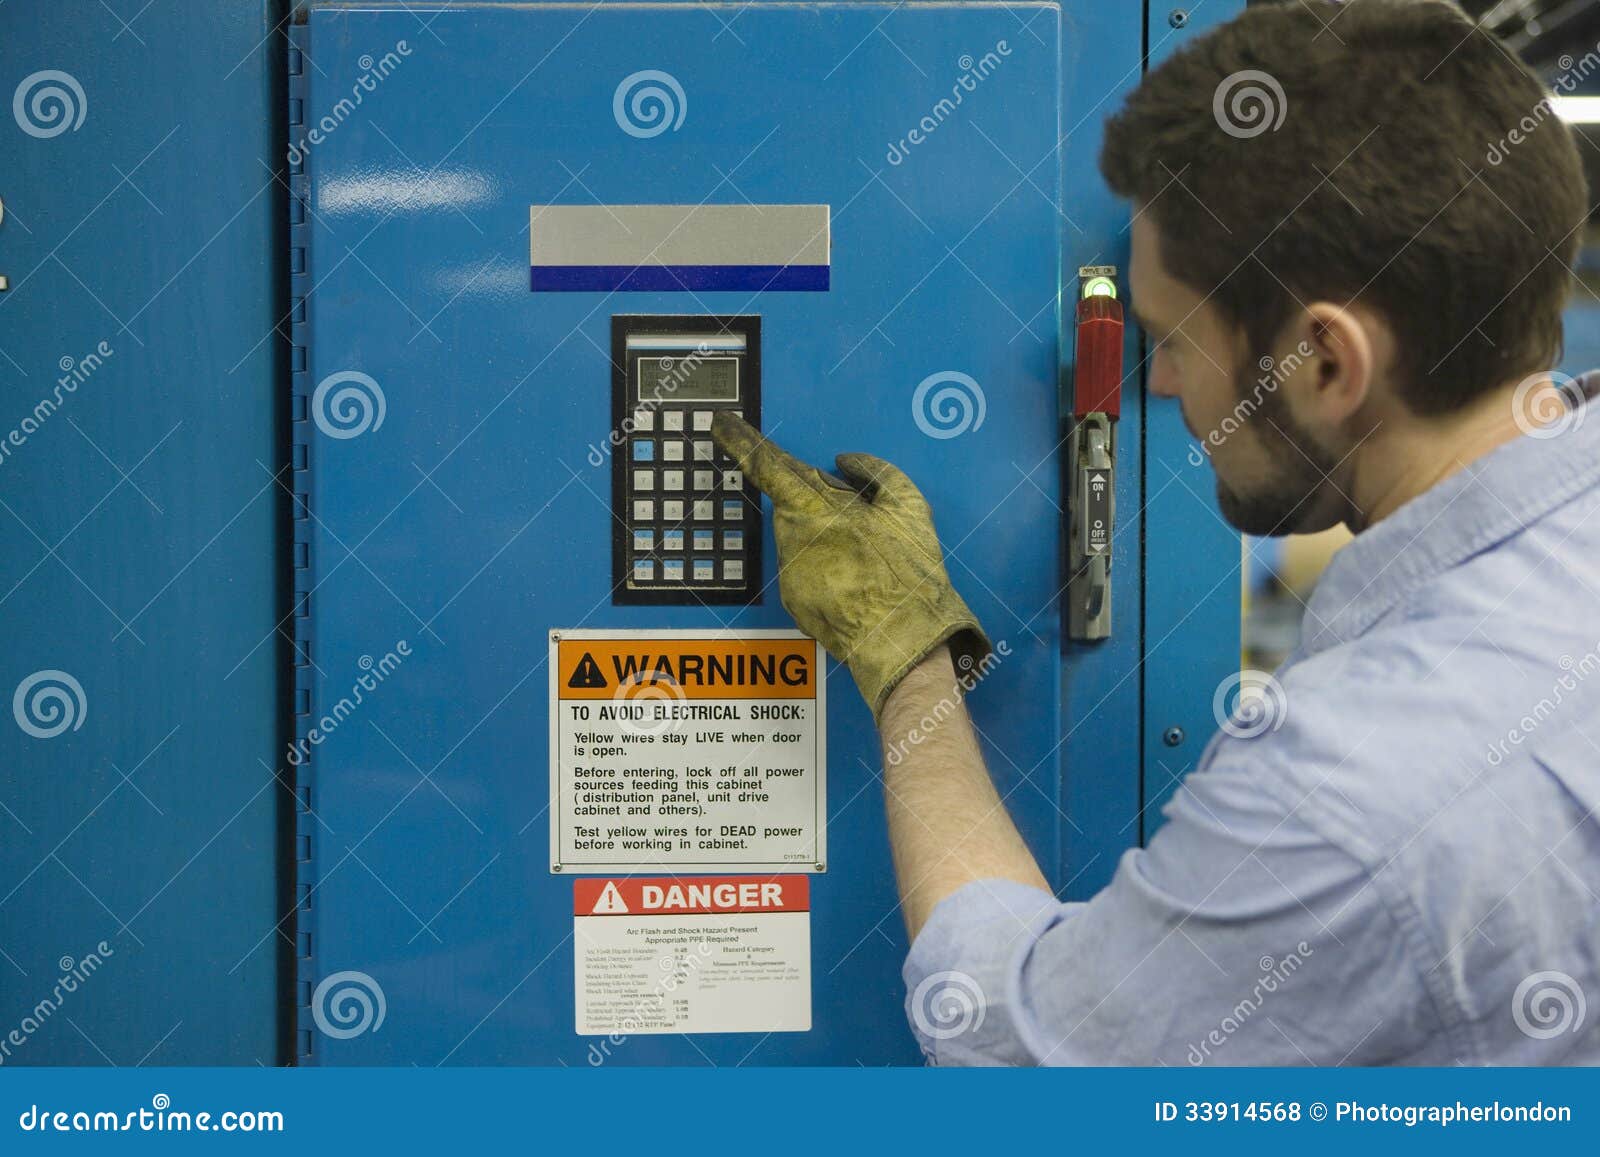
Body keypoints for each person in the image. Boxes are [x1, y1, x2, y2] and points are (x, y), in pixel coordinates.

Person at [710, 0, 1600, 1065]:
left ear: (1325, 362)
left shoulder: (1345, 799)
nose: (1161, 384)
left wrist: (904, 659)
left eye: (1173, 339)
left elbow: (1035, 1068)